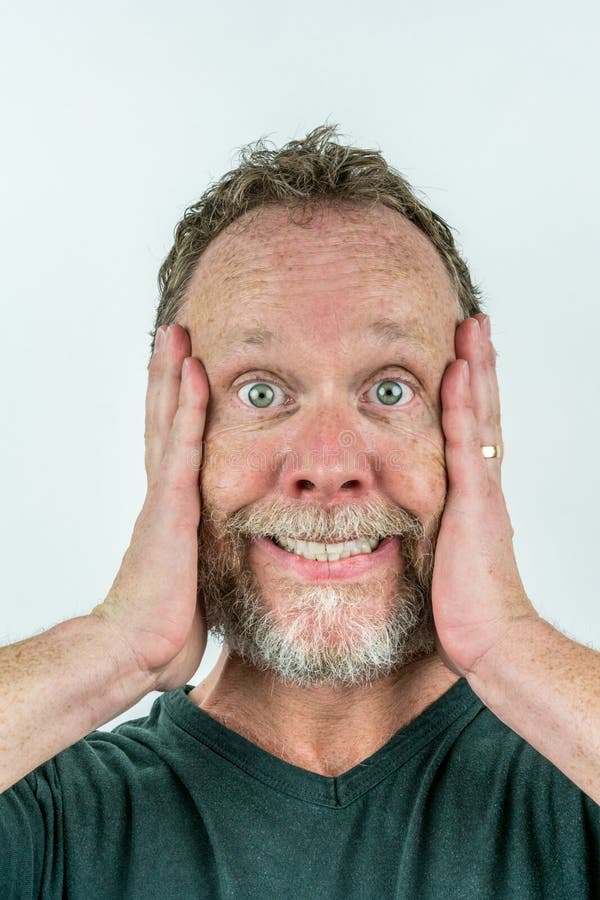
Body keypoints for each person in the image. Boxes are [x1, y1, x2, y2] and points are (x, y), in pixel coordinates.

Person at [1, 124, 598, 899]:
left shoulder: (573, 793)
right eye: (260, 392)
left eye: (390, 389)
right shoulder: (53, 822)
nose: (328, 465)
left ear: (474, 420)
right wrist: (116, 649)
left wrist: (507, 645)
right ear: (172, 432)